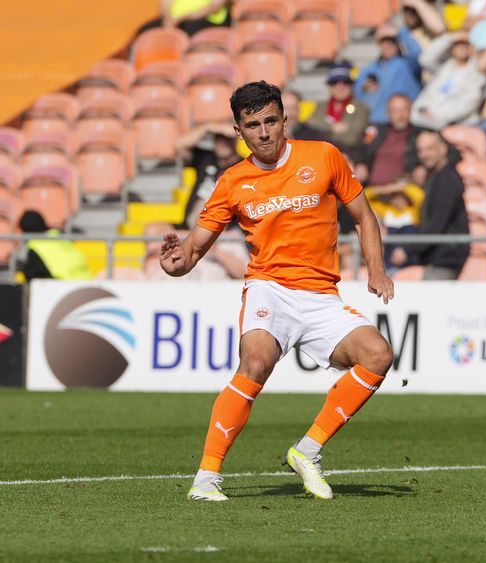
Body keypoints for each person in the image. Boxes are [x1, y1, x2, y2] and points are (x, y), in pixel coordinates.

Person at [159, 81, 395, 502]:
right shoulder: (234, 182)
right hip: (269, 288)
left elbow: (363, 215)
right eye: (253, 125)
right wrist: (174, 263)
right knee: (256, 361)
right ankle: (207, 478)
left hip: (322, 294)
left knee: (378, 355)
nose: (264, 132)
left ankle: (307, 450)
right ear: (239, 130)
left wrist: (376, 270)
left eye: (271, 121)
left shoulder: (323, 156)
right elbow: (191, 251)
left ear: (285, 120)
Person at [397, 130, 470, 279]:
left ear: (442, 149)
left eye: (429, 148)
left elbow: (436, 223)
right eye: (420, 150)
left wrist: (407, 250)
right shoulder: (438, 177)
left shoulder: (446, 179)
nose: (424, 154)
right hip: (438, 258)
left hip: (445, 259)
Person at [411, 30, 486, 130]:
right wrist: (450, 38)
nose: (461, 48)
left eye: (465, 45)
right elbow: (425, 59)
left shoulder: (477, 72)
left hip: (456, 126)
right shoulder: (445, 66)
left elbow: (469, 102)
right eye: (457, 45)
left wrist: (436, 114)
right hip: (424, 119)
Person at [177, 121, 243, 229]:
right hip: (189, 226)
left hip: (222, 229)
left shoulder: (243, 166)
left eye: (226, 139)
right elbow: (179, 146)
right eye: (218, 138)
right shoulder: (207, 158)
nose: (222, 143)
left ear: (235, 140)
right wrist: (207, 128)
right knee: (154, 230)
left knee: (207, 205)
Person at [354, 23, 423, 126]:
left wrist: (400, 32)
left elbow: (417, 53)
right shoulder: (369, 69)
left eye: (392, 41)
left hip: (404, 122)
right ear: (378, 44)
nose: (387, 45)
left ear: (398, 42)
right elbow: (358, 94)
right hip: (375, 124)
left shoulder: (407, 64)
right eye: (383, 42)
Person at [356, 94, 425, 187]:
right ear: (387, 113)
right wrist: (360, 163)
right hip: (371, 189)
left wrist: (422, 167)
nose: (400, 115)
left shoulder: (419, 134)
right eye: (395, 110)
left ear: (410, 111)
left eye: (404, 109)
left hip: (401, 190)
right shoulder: (375, 130)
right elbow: (360, 148)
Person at [304, 62, 370, 151]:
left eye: (345, 82)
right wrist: (332, 128)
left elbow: (352, 138)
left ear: (351, 85)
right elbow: (310, 125)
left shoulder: (361, 108)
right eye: (334, 82)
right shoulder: (321, 106)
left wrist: (322, 133)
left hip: (348, 155)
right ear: (329, 86)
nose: (340, 86)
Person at [16, 211, 93, 281]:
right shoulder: (59, 236)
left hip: (66, 289)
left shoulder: (36, 245)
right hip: (87, 282)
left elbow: (30, 274)